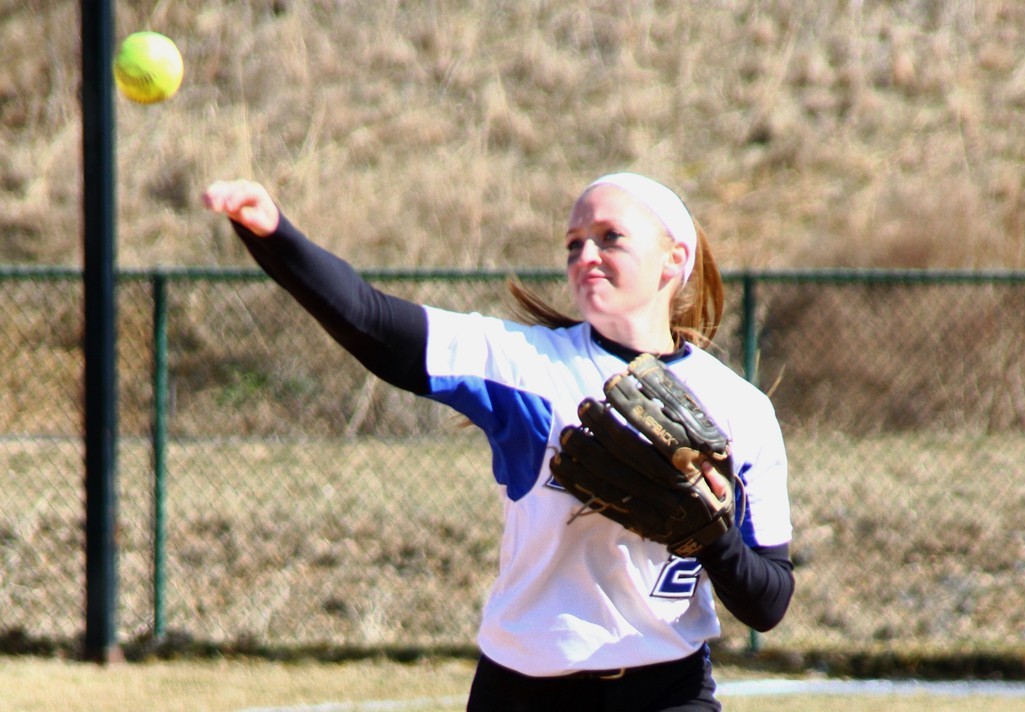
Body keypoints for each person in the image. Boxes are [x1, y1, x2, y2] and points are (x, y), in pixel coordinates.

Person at [202, 171, 794, 711]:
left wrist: (712, 540)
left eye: (610, 237)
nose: (585, 255)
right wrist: (273, 234)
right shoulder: (524, 365)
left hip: (667, 689)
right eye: (573, 243)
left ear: (674, 259)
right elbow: (372, 320)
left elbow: (767, 604)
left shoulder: (740, 410)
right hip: (523, 689)